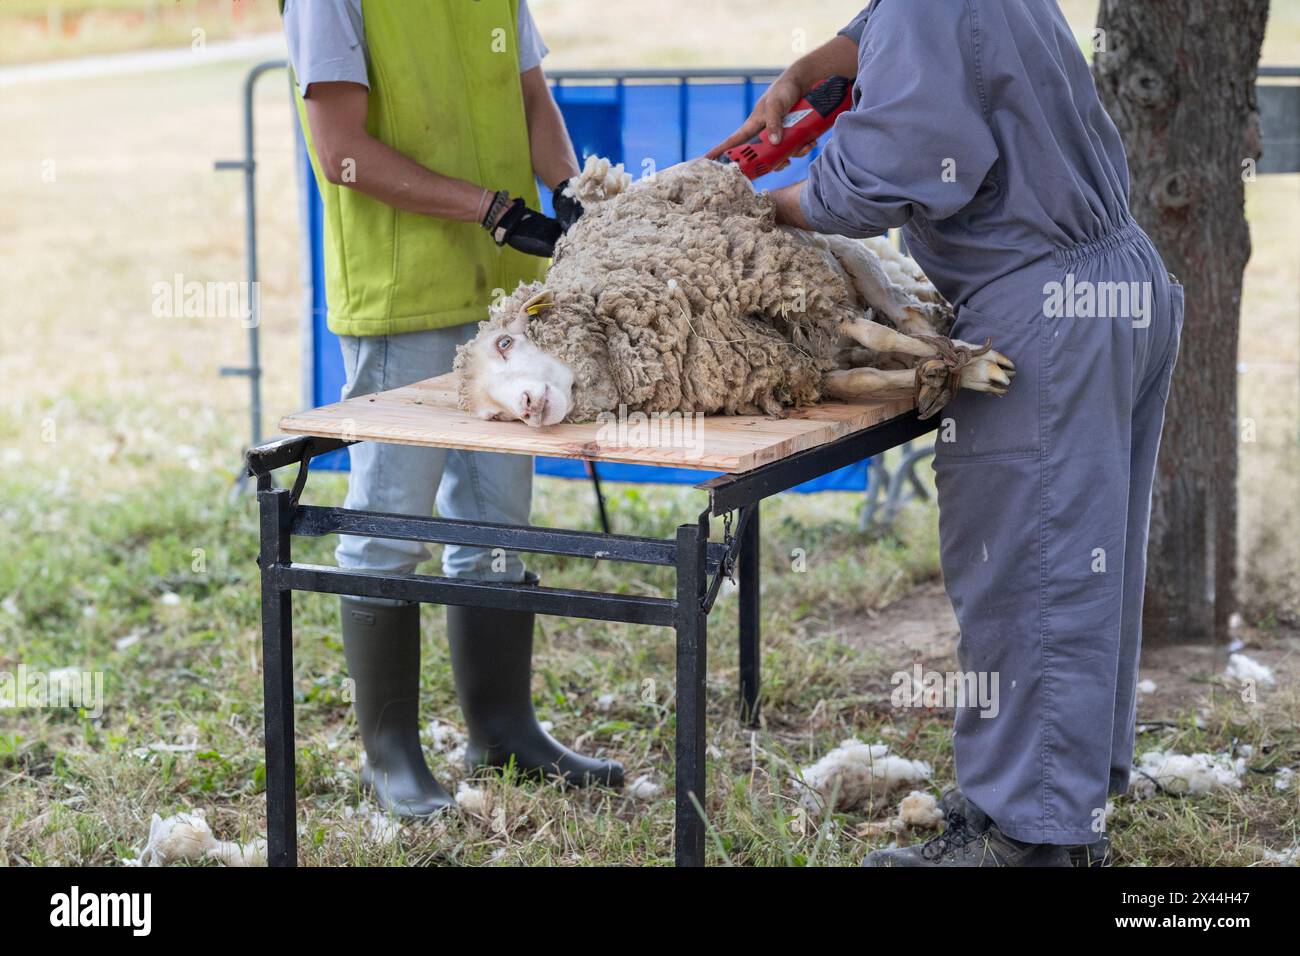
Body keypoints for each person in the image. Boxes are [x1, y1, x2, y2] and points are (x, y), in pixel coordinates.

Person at [711, 0, 1182, 866]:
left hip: (1040, 302)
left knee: (1027, 570)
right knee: (1077, 564)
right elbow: (903, 32)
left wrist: (746, 210)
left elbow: (883, 174)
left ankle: (1033, 842)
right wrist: (814, 68)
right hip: (1113, 282)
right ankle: (1049, 803)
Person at [281, 0, 621, 818]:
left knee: (499, 524)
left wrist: (572, 193)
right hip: (405, 298)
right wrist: (493, 210)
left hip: (504, 299)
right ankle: (390, 756)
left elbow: (532, 97)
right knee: (391, 522)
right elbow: (341, 152)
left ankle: (504, 731)